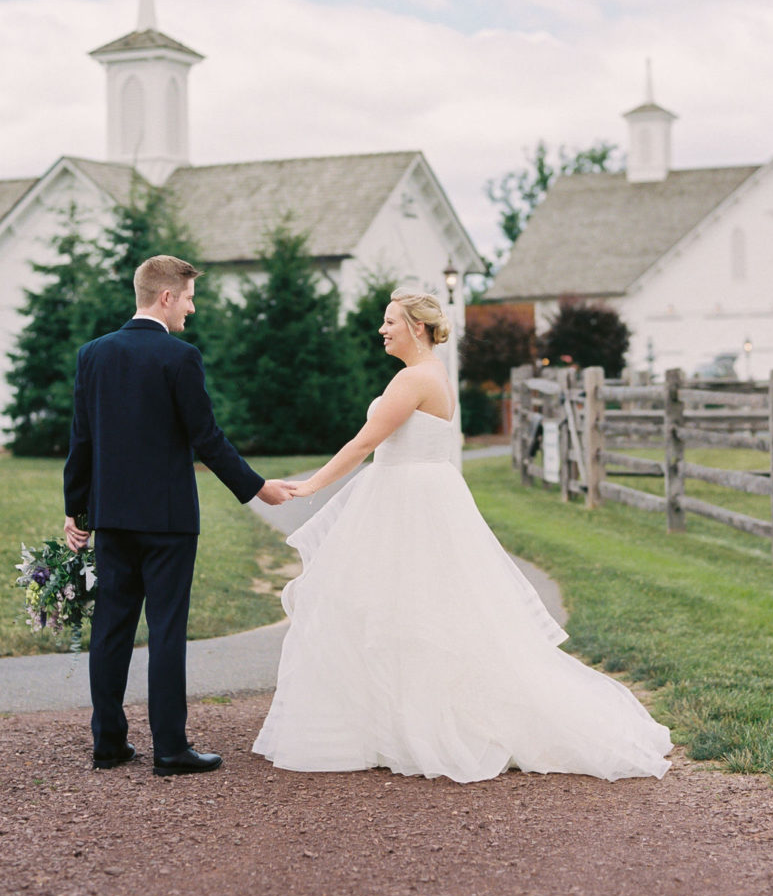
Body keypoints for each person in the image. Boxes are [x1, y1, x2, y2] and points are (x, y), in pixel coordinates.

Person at [253, 290, 671, 783]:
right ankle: (390, 720)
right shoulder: (430, 374)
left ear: (417, 327)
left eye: (390, 322)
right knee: (401, 606)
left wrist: (311, 486)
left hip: (407, 497)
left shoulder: (414, 378)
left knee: (399, 606)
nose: (382, 330)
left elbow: (366, 442)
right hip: (415, 492)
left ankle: (415, 720)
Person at [63, 255, 293, 775]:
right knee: (166, 629)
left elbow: (82, 440)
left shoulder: (92, 355)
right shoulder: (179, 357)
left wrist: (77, 511)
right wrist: (257, 488)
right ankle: (169, 749)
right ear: (165, 296)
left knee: (112, 629)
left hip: (113, 518)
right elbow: (205, 437)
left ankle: (108, 743)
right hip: (167, 522)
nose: (191, 308)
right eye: (188, 297)